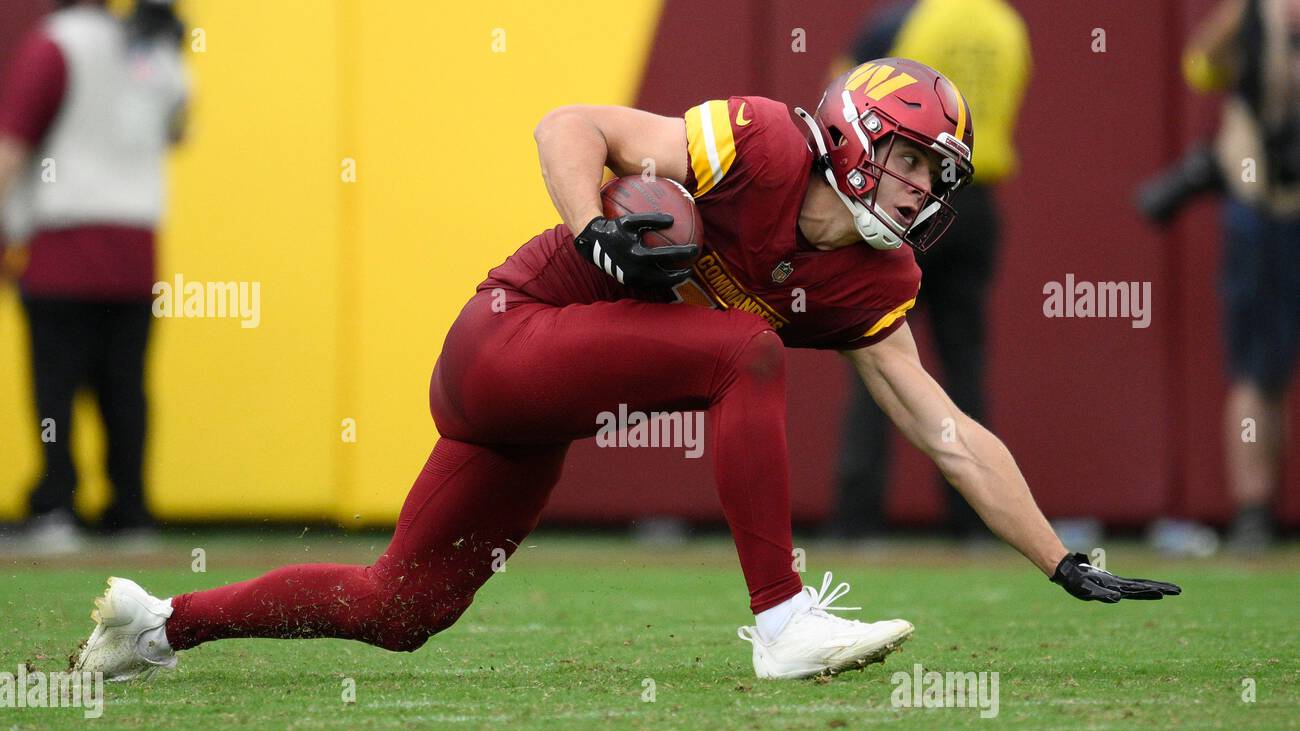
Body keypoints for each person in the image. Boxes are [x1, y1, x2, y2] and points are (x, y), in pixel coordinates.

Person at [71, 58, 1181, 685]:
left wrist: (1058, 558)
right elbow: (571, 122)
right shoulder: (755, 142)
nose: (915, 187)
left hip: (541, 403)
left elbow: (947, 430)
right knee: (743, 350)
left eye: (931, 170)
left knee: (400, 607)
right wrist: (587, 224)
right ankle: (781, 618)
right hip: (509, 333)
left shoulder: (868, 282)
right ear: (848, 138)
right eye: (902, 159)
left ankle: (157, 625)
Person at [829, 0, 1031, 541]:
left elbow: (843, 101)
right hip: (976, 197)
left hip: (903, 195)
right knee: (964, 361)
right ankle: (974, 522)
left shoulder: (902, 21)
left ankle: (857, 517)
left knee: (878, 354)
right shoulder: (1008, 26)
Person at [0, 0, 189, 554]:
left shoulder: (55, 43)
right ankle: (130, 510)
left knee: (56, 386)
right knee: (124, 386)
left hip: (65, 239)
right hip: (135, 243)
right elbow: (178, 126)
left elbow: (13, 144)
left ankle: (56, 506)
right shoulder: (154, 47)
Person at [1184, 0, 1300, 551]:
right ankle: (1254, 512)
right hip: (1263, 210)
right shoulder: (1254, 18)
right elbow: (1200, 66)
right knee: (1258, 368)